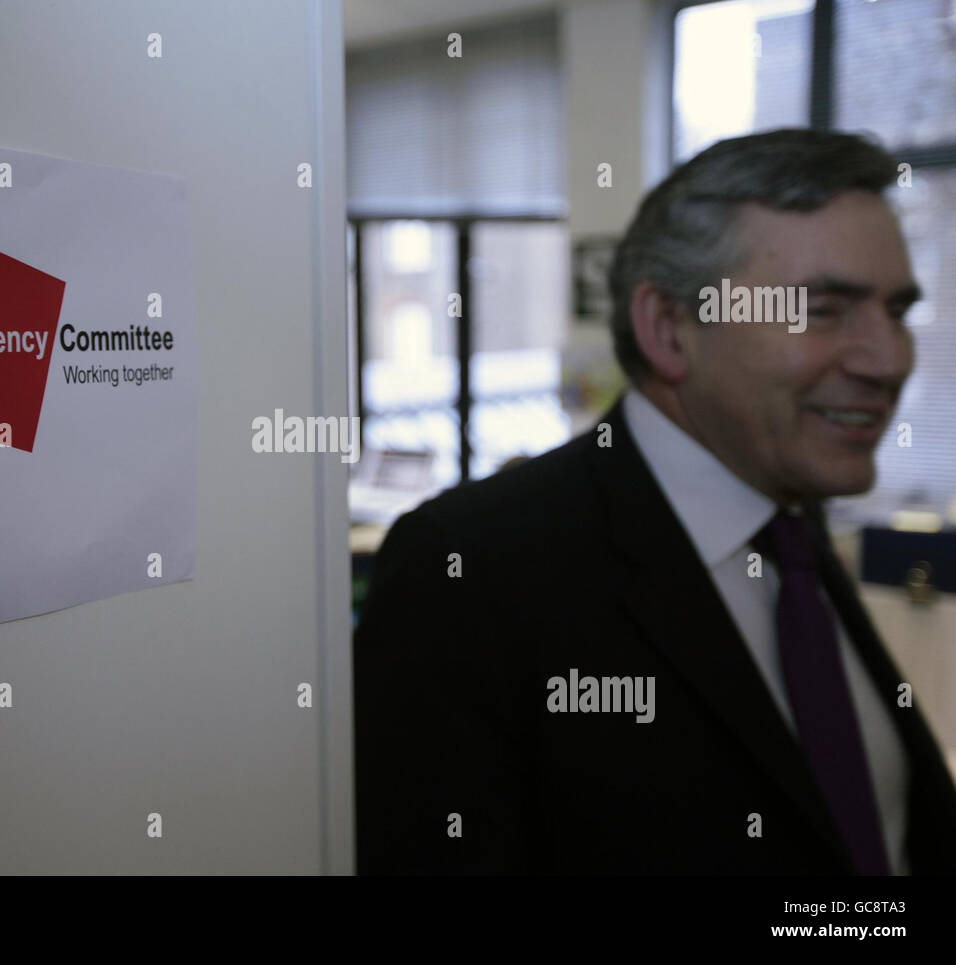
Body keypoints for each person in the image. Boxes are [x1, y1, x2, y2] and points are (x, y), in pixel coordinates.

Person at [353, 129, 956, 874]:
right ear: (670, 328)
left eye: (896, 310)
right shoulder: (472, 571)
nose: (888, 358)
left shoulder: (791, 527)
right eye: (823, 310)